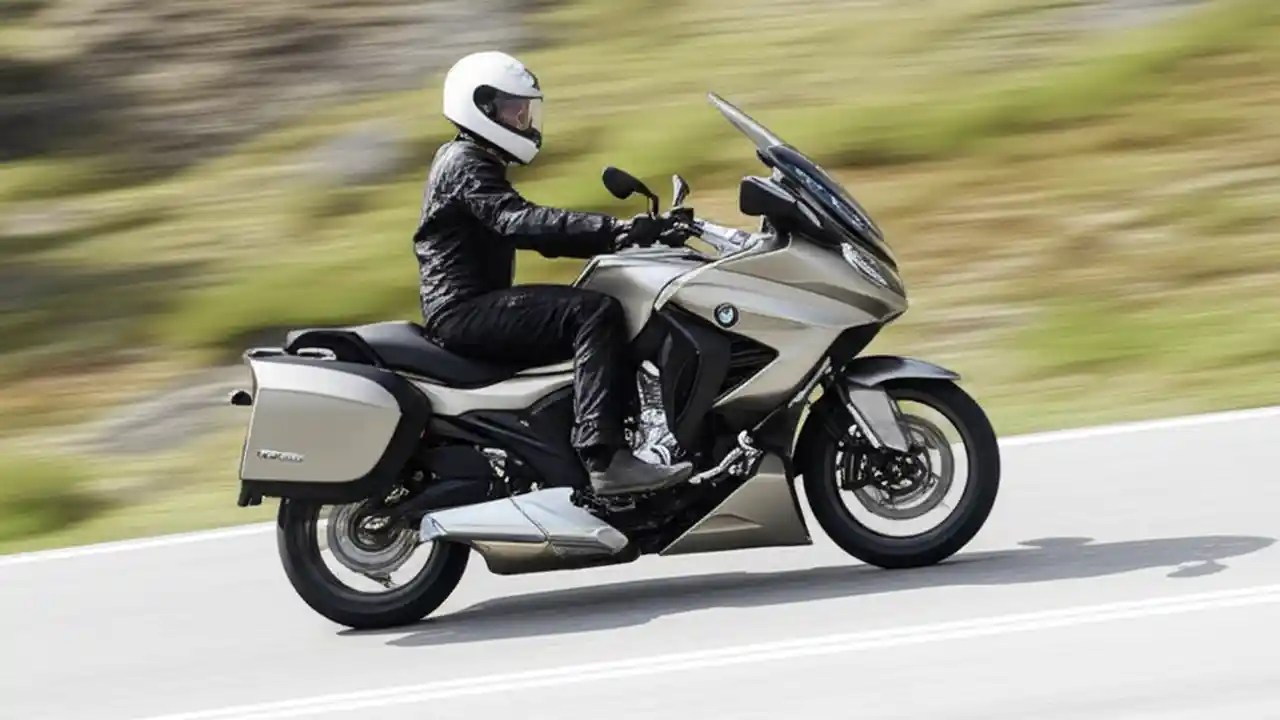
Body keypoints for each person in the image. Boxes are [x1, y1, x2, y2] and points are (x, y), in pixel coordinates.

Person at [412, 50, 693, 496]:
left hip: (473, 305)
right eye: (512, 109)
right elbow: (516, 221)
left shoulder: (471, 159)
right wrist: (613, 230)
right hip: (463, 312)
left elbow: (536, 233)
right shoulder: (464, 162)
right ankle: (605, 459)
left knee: (600, 298)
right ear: (481, 107)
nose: (524, 119)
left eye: (525, 110)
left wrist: (622, 235)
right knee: (594, 312)